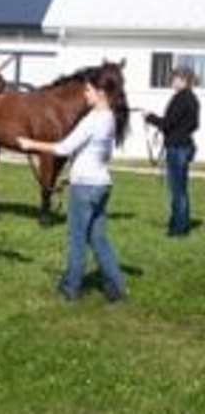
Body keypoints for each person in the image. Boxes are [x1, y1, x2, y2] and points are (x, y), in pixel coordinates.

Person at [18, 68, 130, 302]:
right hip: (101, 184)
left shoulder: (93, 119)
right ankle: (117, 288)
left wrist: (30, 143)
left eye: (88, 90)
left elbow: (63, 148)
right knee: (98, 239)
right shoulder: (110, 117)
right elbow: (102, 154)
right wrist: (74, 174)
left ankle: (71, 288)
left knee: (77, 239)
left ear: (100, 92)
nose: (84, 94)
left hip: (86, 188)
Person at [143, 66, 200, 237]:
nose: (172, 81)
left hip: (177, 148)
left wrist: (149, 117)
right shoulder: (193, 99)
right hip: (183, 145)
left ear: (184, 80)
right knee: (180, 189)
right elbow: (194, 125)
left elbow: (167, 123)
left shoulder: (181, 98)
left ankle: (178, 229)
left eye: (174, 78)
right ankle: (179, 223)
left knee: (177, 190)